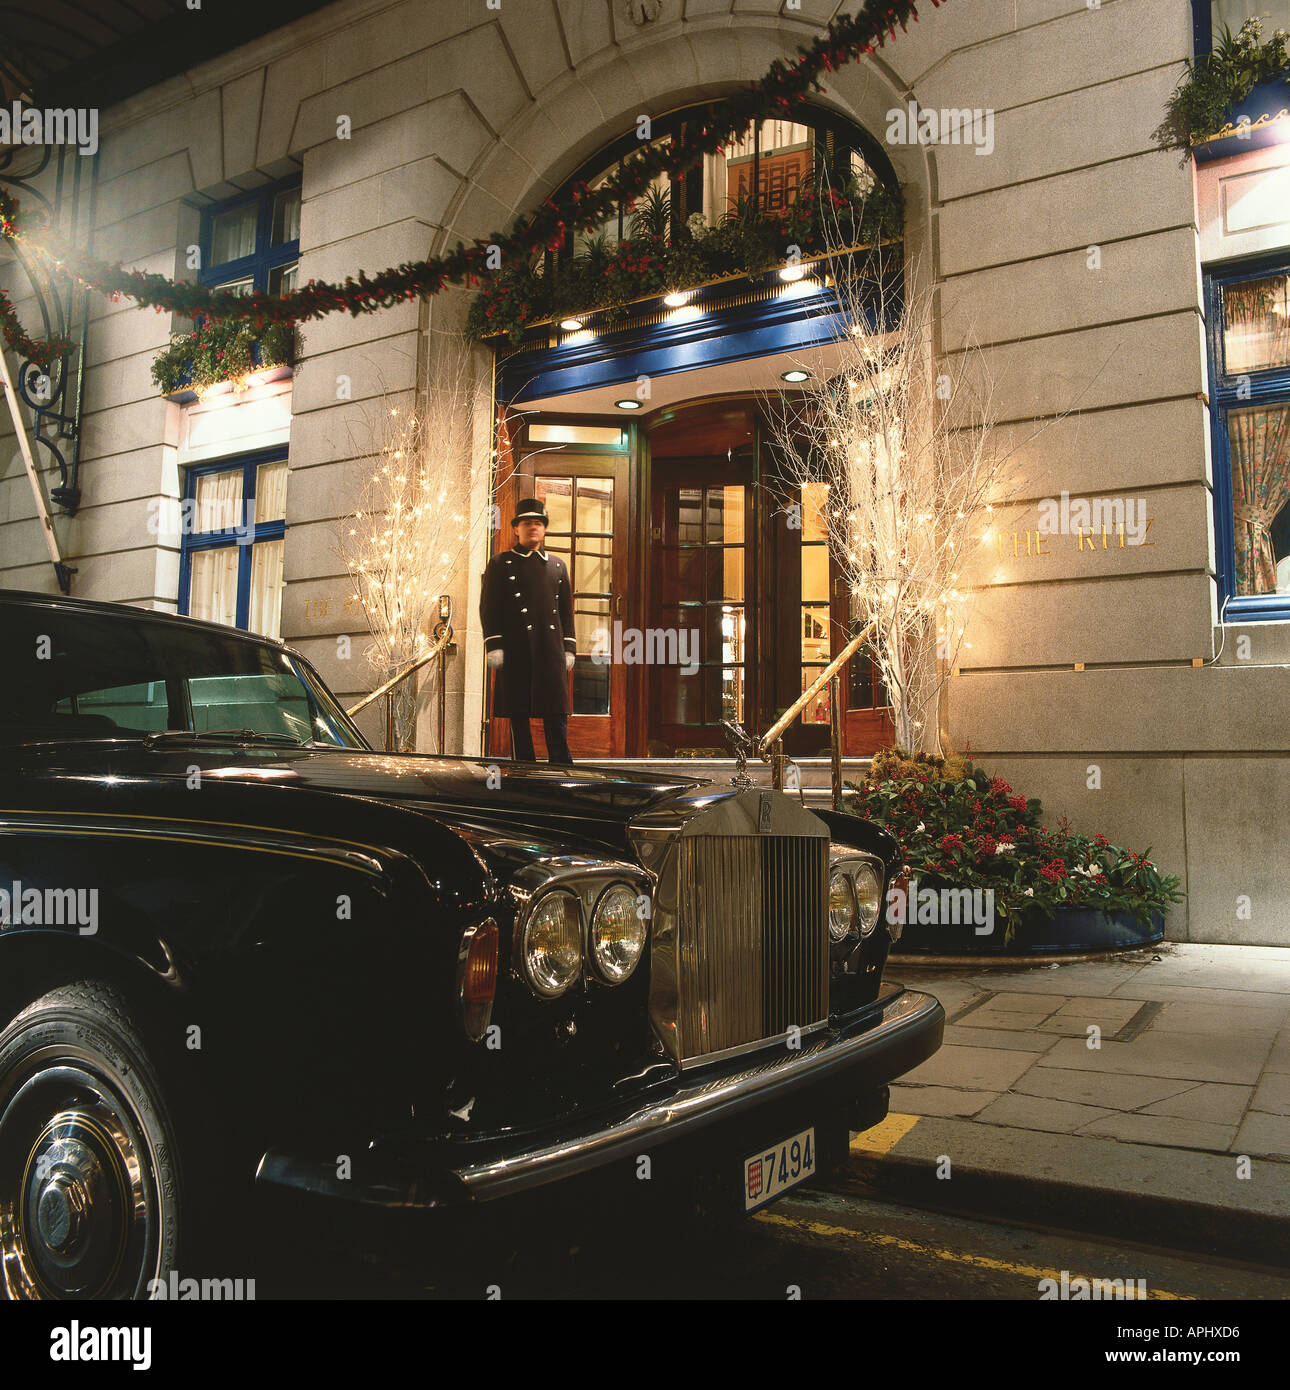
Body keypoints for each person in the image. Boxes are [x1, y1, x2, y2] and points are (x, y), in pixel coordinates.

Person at [481, 498, 576, 763]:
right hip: (516, 649)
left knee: (555, 713)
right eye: (526, 523)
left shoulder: (557, 566)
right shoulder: (500, 564)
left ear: (544, 529)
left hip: (550, 649)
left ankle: (561, 767)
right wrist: (494, 645)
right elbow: (489, 608)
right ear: (516, 529)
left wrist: (569, 647)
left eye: (537, 523)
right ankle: (523, 768)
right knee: (518, 714)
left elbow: (566, 611)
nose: (532, 527)